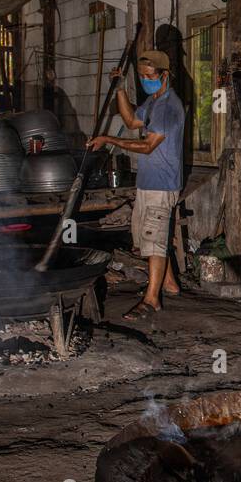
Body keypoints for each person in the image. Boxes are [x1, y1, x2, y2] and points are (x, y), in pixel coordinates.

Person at [87, 49, 183, 318]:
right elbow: (131, 121)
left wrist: (108, 140)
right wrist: (119, 89)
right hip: (148, 183)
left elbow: (147, 145)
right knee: (148, 237)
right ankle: (169, 282)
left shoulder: (167, 107)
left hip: (161, 185)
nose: (145, 80)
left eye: (149, 76)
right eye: (141, 76)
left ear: (165, 75)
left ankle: (152, 299)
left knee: (153, 240)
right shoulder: (153, 101)